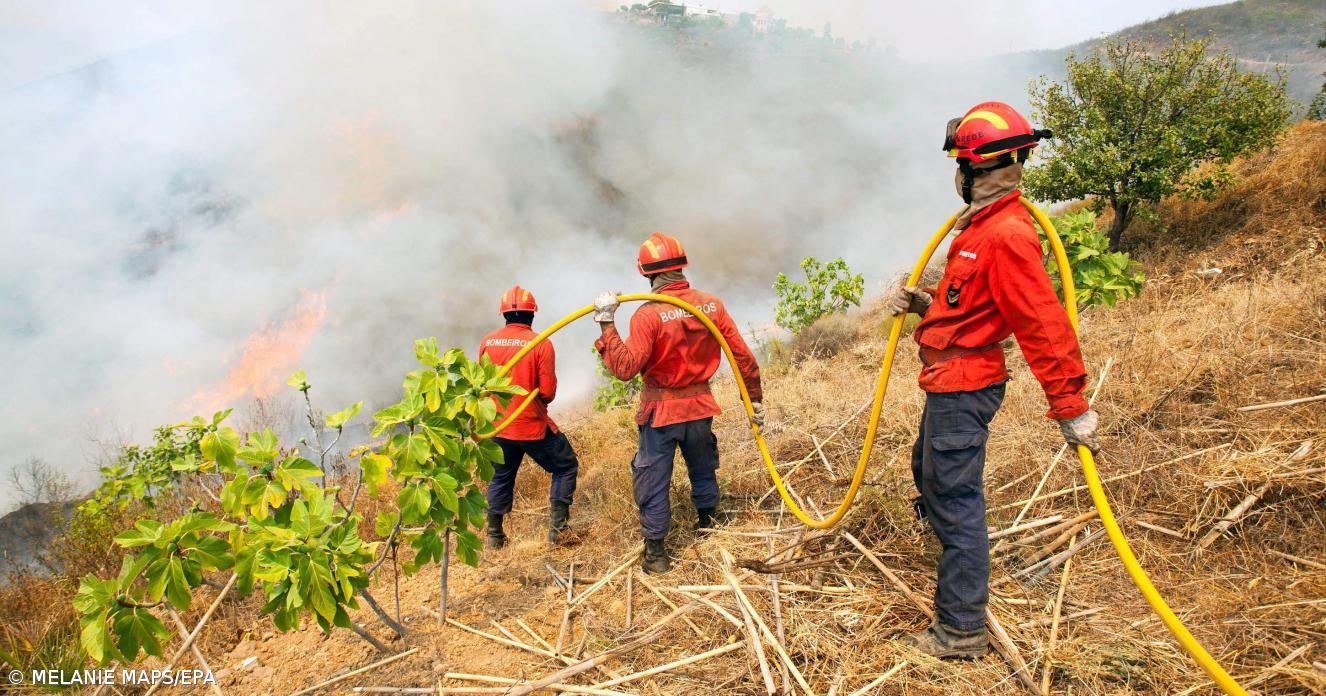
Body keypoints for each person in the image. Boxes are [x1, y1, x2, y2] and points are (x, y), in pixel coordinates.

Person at [888, 101, 1101, 658]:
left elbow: (1042, 323)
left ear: (974, 170)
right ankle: (956, 560)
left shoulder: (1006, 234)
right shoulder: (979, 231)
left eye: (959, 165)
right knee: (929, 474)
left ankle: (960, 629)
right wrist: (926, 305)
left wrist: (1070, 404)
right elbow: (974, 307)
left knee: (956, 499)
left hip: (964, 385)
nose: (955, 177)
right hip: (947, 379)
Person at [593, 232, 765, 574]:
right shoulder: (711, 304)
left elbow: (625, 368)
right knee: (702, 467)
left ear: (646, 272)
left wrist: (606, 323)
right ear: (682, 266)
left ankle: (656, 554)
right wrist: (755, 399)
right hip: (700, 408)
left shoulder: (648, 315)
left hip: (661, 414)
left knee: (653, 478)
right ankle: (708, 526)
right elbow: (742, 357)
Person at [478, 285, 580, 548]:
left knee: (501, 475)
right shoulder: (540, 343)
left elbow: (482, 384)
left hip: (498, 426)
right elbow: (546, 393)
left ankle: (494, 537)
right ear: (532, 314)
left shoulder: (488, 342)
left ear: (503, 315)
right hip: (530, 425)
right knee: (565, 466)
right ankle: (559, 531)